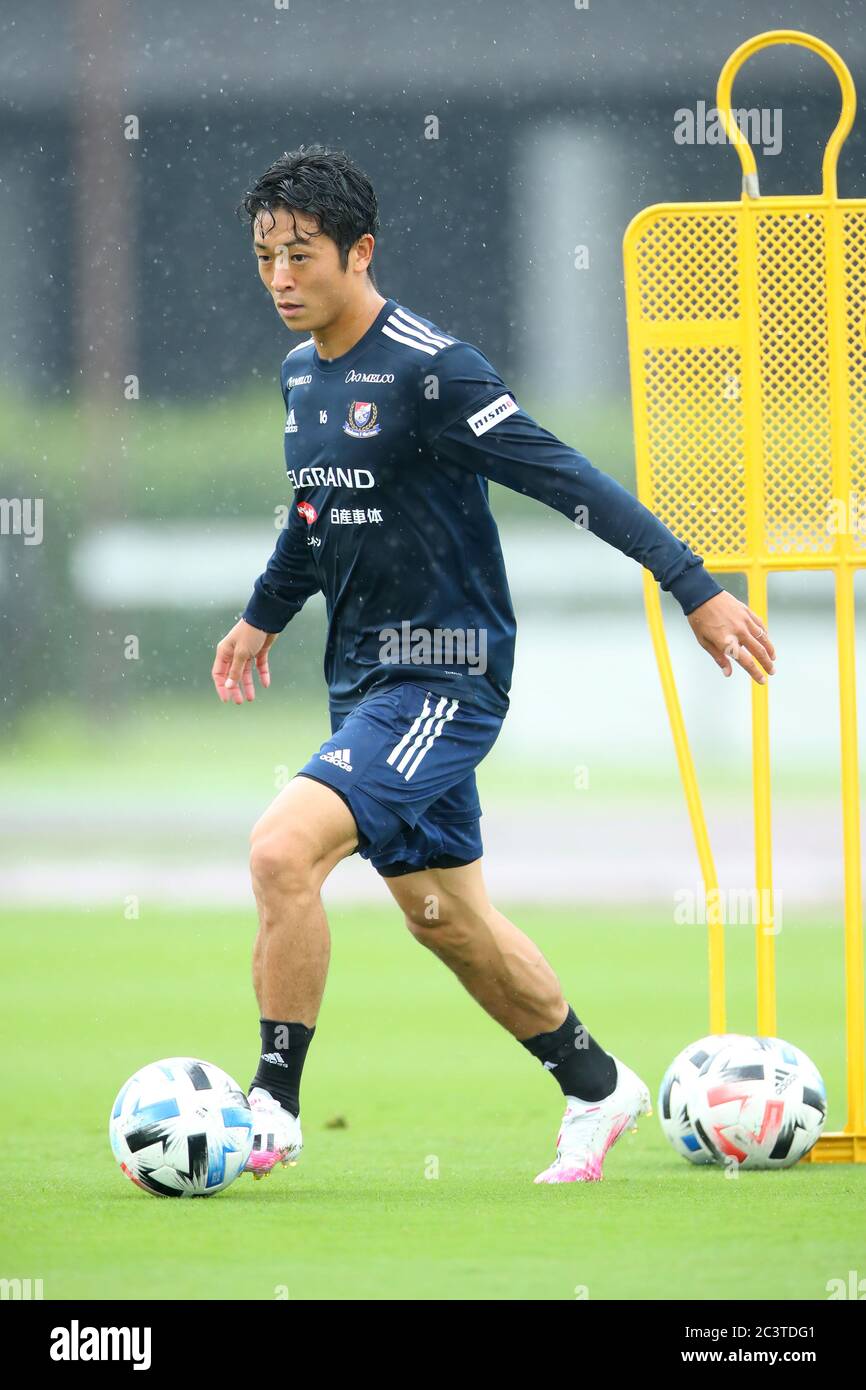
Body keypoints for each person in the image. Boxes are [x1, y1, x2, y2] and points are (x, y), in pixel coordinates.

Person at [212, 144, 776, 1184]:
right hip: (364, 679)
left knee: (280, 851)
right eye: (263, 259)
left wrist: (692, 582)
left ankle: (270, 1109)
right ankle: (597, 1084)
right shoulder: (301, 376)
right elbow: (313, 510)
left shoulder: (431, 367)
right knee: (448, 923)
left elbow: (568, 478)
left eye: (300, 256)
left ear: (359, 251)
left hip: (446, 673)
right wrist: (262, 616)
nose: (280, 279)